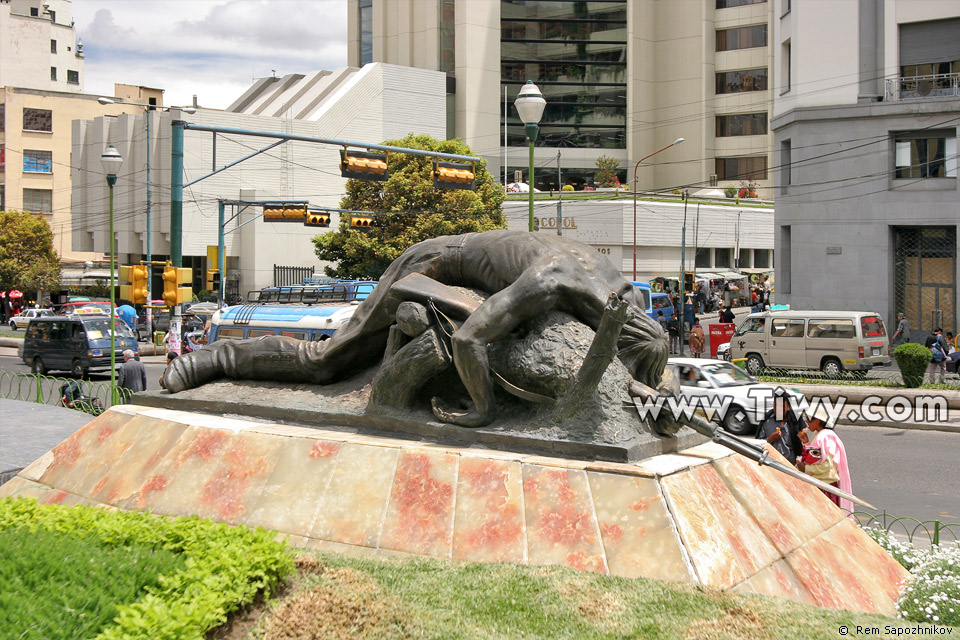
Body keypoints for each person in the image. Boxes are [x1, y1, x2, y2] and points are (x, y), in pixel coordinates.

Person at [797, 405, 852, 513]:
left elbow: (827, 465)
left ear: (817, 420)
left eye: (808, 419)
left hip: (825, 486)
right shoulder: (819, 434)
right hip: (819, 484)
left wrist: (805, 468)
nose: (807, 422)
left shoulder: (825, 436)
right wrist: (806, 442)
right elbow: (816, 456)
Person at [758, 392, 805, 465]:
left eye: (782, 406)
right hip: (770, 463)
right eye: (776, 405)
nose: (778, 409)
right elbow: (758, 444)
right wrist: (770, 439)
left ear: (788, 407)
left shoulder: (794, 422)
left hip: (790, 464)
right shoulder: (767, 421)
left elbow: (804, 441)